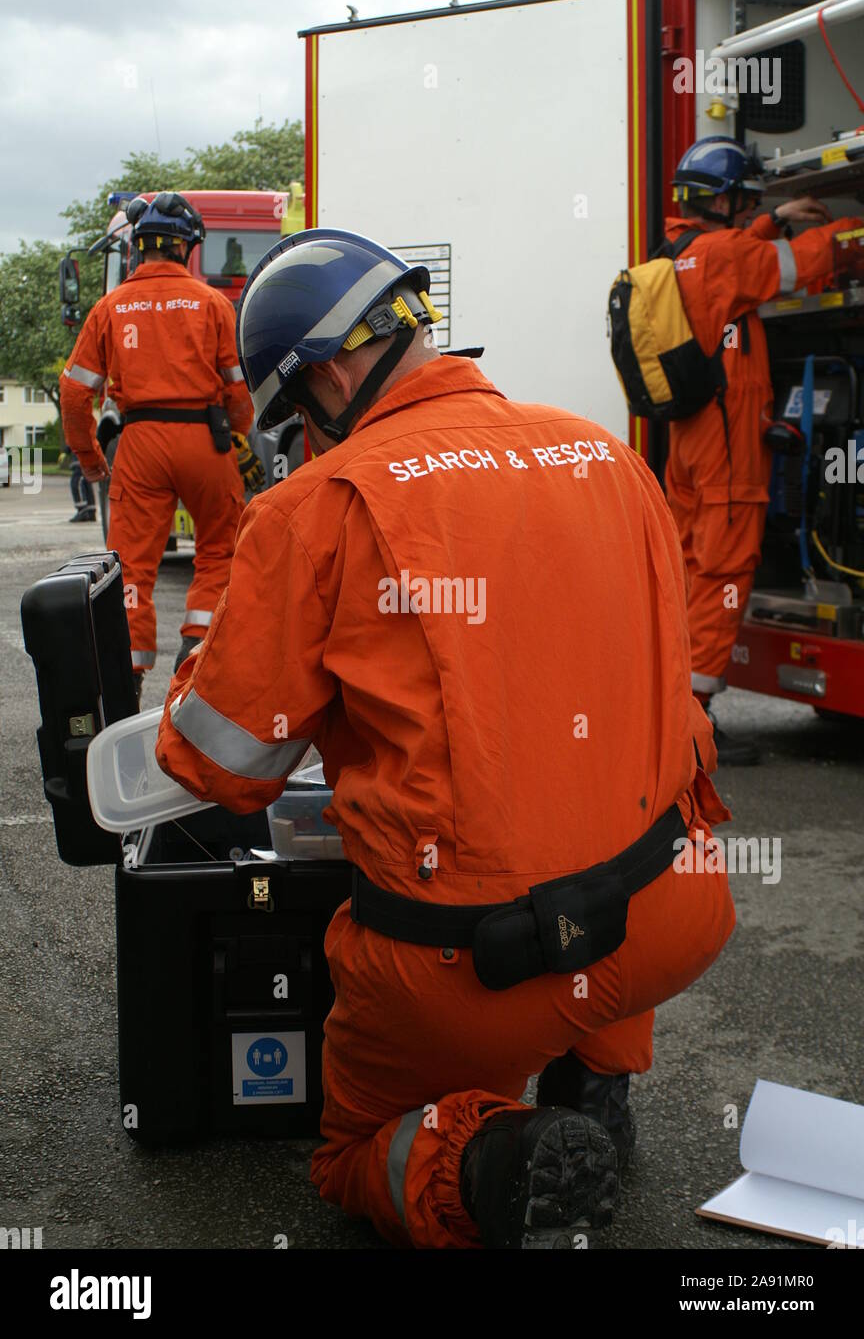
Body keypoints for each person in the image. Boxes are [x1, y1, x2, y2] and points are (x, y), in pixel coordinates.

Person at [155, 228, 736, 1249]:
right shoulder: (606, 453)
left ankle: (493, 1158)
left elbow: (226, 765)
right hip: (665, 917)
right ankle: (597, 1080)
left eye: (298, 410)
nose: (304, 437)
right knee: (599, 815)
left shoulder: (314, 508)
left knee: (348, 1151)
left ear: (332, 368)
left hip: (474, 973)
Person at [663, 137, 862, 763]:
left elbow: (750, 255)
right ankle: (694, 724)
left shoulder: (678, 250)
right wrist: (853, 231)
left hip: (691, 444)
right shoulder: (726, 256)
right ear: (722, 201)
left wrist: (773, 217)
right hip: (728, 450)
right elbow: (797, 263)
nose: (750, 205)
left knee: (692, 568)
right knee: (721, 574)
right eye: (745, 197)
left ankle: (673, 707)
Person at [59, 192, 253, 697]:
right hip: (204, 441)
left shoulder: (110, 306)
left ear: (138, 248)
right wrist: (238, 431)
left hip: (140, 442)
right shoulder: (213, 304)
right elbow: (237, 387)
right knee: (218, 551)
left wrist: (90, 458)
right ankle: (197, 656)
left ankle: (127, 676)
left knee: (131, 563)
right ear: (187, 248)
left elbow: (76, 391)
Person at [68, 450, 95, 523]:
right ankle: (90, 511)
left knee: (77, 482)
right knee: (86, 481)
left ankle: (82, 511)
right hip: (86, 455)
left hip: (80, 455)